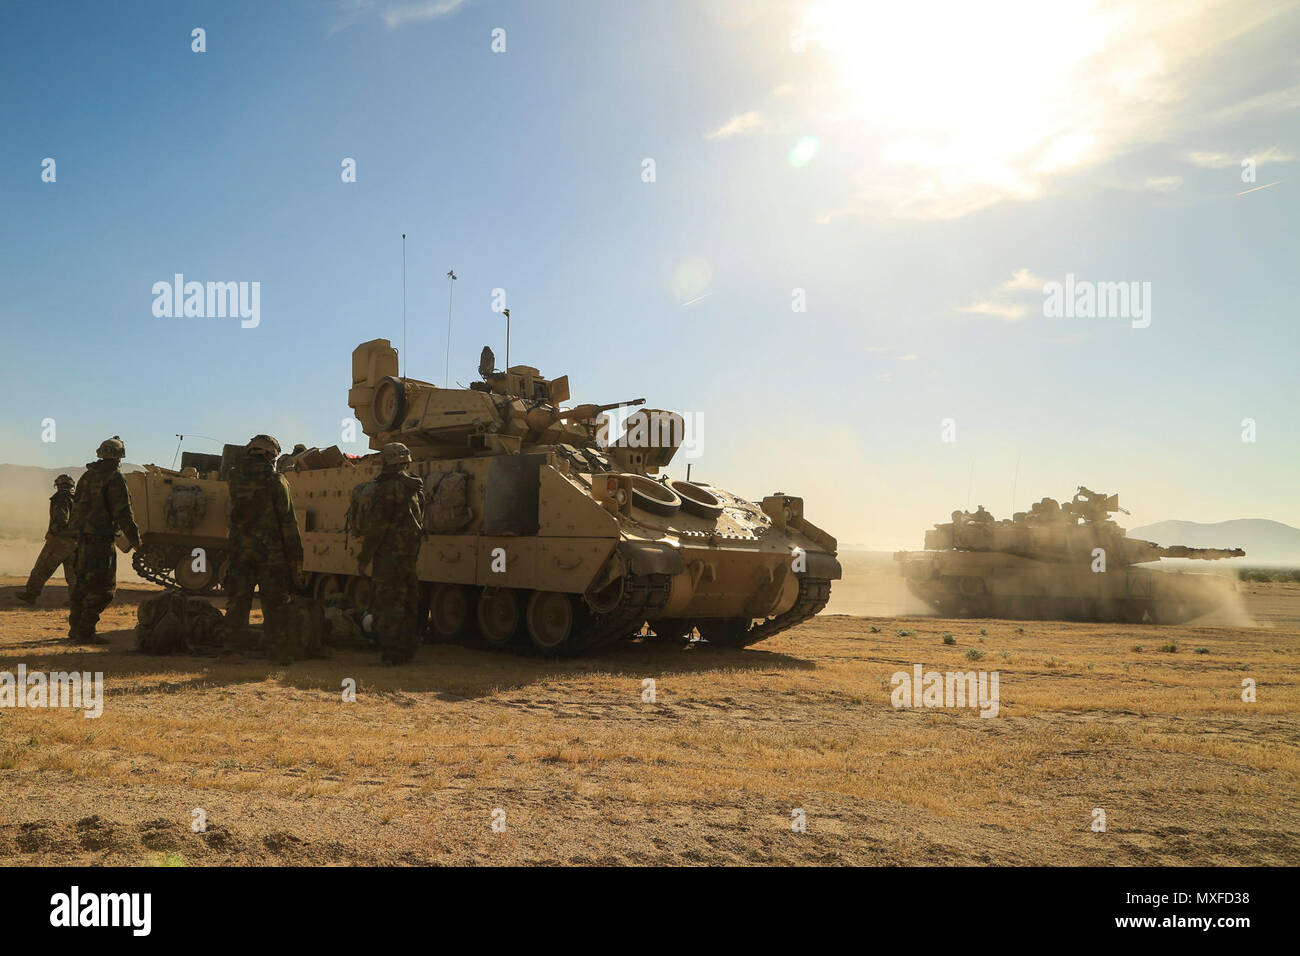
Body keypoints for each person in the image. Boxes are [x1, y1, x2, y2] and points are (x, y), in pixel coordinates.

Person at [224, 434, 303, 663]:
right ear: (270, 454)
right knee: (275, 604)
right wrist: (296, 557)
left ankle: (232, 649)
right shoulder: (276, 480)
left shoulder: (234, 477)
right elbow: (288, 521)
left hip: (240, 551)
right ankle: (277, 652)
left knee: (238, 602)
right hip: (271, 553)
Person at [66, 438, 140, 644]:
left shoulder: (87, 477)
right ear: (119, 456)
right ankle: (85, 631)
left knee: (81, 585)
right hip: (100, 541)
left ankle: (75, 628)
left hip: (81, 540)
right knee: (104, 589)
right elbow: (124, 514)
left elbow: (76, 507)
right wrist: (136, 542)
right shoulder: (114, 478)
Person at [357, 442, 425, 665]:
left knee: (388, 604)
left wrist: (364, 558)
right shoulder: (412, 486)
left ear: (387, 461)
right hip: (409, 555)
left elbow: (378, 528)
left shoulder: (388, 488)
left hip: (389, 556)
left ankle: (391, 654)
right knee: (408, 602)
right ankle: (407, 650)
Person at [15, 474, 79, 604]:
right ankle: (76, 600)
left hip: (60, 540)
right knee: (73, 573)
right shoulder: (78, 499)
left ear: (58, 485)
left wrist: (53, 532)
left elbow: (61, 519)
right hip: (76, 541)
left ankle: (31, 594)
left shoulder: (61, 497)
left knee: (42, 567)